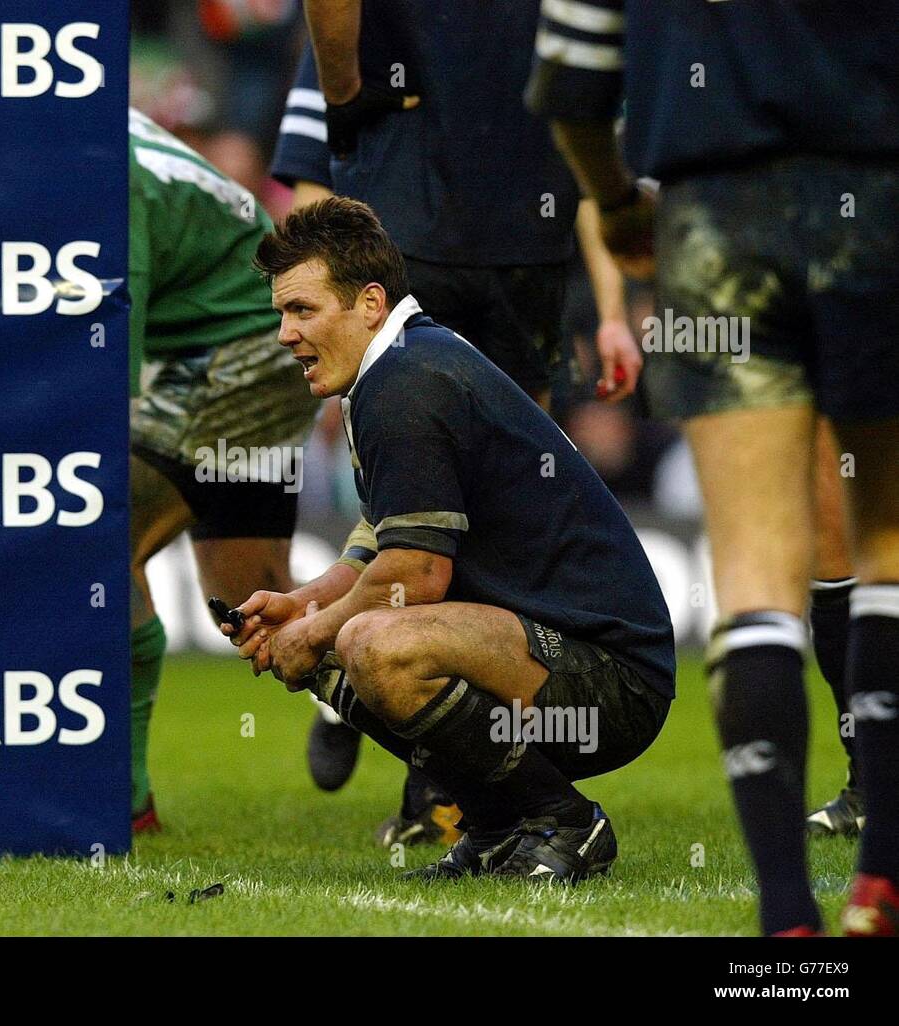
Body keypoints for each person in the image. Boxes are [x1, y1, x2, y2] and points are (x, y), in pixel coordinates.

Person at [527, 0, 899, 934]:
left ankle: (786, 920)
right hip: (879, 197)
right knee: (888, 546)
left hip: (712, 219)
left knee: (753, 573)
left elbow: (572, 74)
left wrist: (613, 202)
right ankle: (882, 884)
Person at [272, 8, 642, 847]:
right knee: (446, 519)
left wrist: (348, 101)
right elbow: (589, 156)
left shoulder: (373, 24)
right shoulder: (554, 15)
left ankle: (459, 782)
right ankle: (455, 778)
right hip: (486, 251)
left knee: (451, 524)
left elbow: (313, 186)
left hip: (451, 245)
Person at [225, 198, 674, 881]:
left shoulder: (405, 383)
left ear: (370, 302)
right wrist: (306, 603)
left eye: (302, 310)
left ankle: (566, 823)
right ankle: (496, 830)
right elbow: (381, 537)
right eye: (282, 313)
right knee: (342, 642)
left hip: (610, 683)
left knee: (369, 643)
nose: (285, 333)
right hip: (554, 659)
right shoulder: (401, 364)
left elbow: (416, 577)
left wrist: (315, 631)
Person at [128, 109, 318, 831]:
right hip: (243, 346)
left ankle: (125, 800)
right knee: (256, 606)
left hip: (242, 351)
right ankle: (376, 692)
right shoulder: (92, 136)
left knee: (96, 528)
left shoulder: (105, 181)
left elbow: (106, 361)